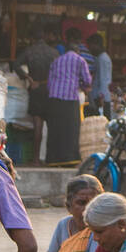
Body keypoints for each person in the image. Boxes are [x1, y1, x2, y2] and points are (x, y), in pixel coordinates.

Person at [14, 26, 59, 165]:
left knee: (37, 127)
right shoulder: (54, 52)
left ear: (32, 38)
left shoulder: (29, 51)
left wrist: (28, 78)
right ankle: (51, 159)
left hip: (36, 89)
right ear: (44, 37)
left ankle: (36, 159)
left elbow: (16, 65)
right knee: (52, 127)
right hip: (51, 90)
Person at [44, 36, 92, 164]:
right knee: (71, 129)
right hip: (70, 97)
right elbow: (87, 81)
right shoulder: (80, 60)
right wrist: (81, 86)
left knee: (55, 128)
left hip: (54, 98)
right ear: (77, 51)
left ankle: (53, 159)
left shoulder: (56, 61)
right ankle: (69, 158)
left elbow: (49, 83)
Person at [86, 33, 113, 117]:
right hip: (99, 97)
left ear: (96, 45)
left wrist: (101, 97)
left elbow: (104, 80)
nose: (89, 48)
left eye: (90, 46)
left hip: (100, 99)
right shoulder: (99, 58)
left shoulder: (103, 59)